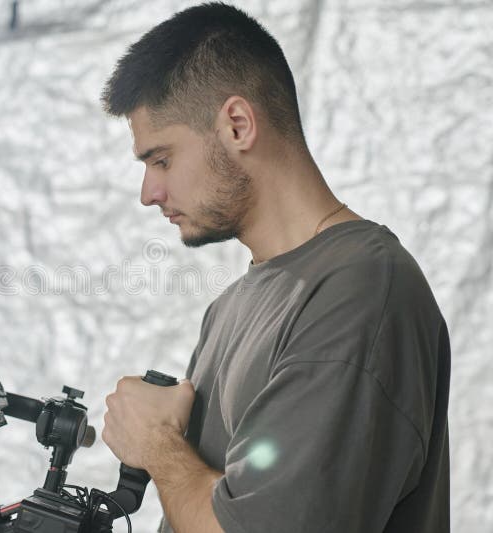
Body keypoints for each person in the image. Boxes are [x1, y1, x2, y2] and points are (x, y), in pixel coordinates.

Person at [98, 3, 451, 533]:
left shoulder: (360, 289)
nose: (150, 193)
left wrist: (157, 447)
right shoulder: (232, 306)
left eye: (162, 159)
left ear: (237, 125)